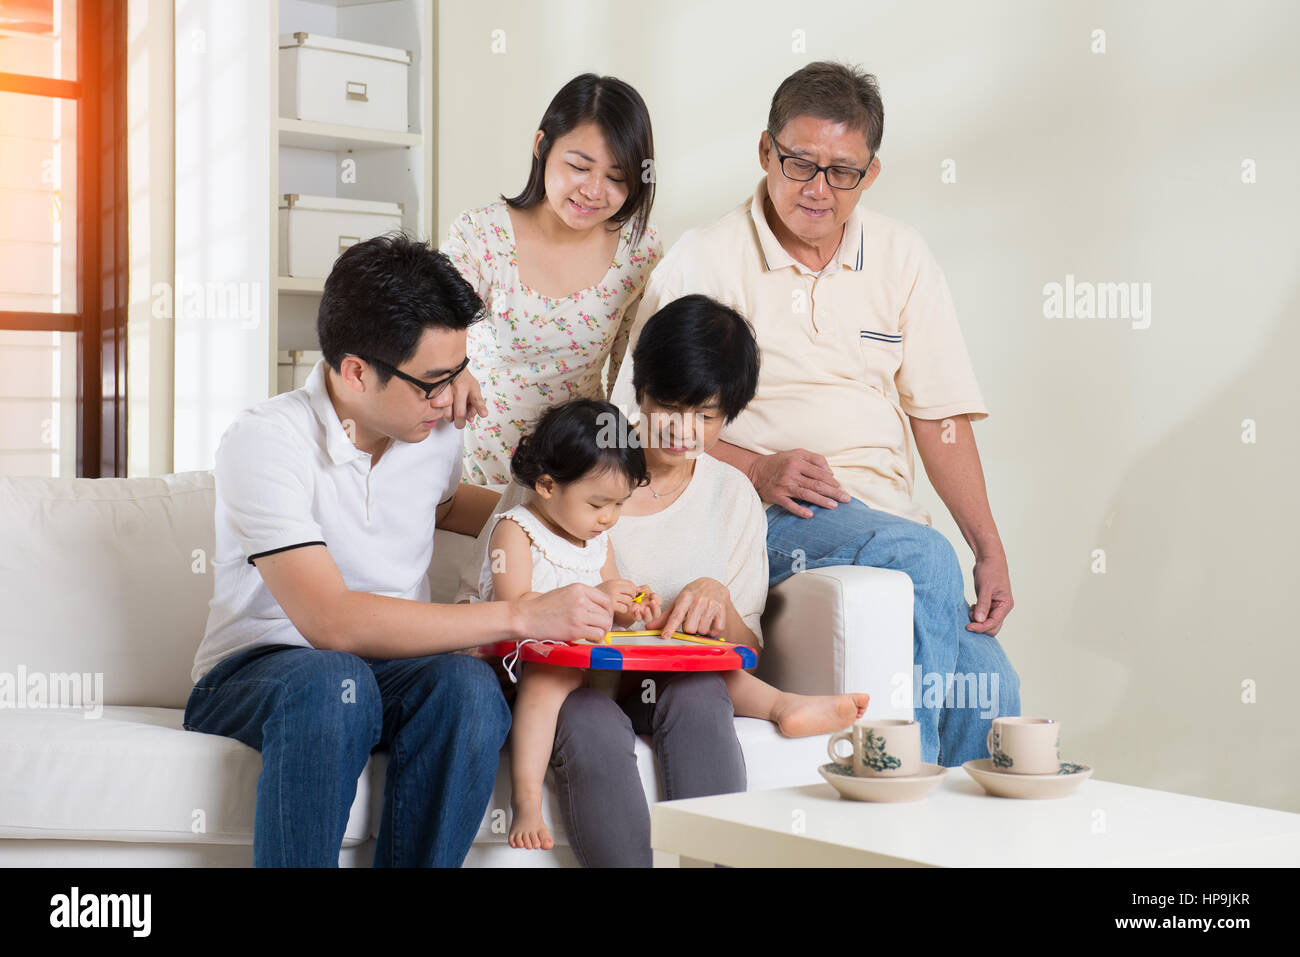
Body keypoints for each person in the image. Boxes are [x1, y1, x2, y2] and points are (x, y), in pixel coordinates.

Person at [610, 61, 1021, 767]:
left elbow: (940, 417)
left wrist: (987, 545)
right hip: (763, 514)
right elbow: (634, 420)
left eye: (843, 172)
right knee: (923, 556)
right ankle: (897, 787)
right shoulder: (704, 258)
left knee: (993, 687)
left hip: (886, 521)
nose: (819, 190)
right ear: (766, 151)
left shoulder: (902, 256)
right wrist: (756, 467)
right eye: (800, 164)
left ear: (871, 172)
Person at [184, 234, 617, 867]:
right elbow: (331, 623)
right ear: (356, 370)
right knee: (333, 679)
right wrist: (524, 614)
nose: (449, 399)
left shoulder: (431, 436)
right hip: (262, 672)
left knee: (470, 687)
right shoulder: (266, 440)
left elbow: (440, 509)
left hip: (389, 672)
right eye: (433, 382)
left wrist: (571, 513)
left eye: (456, 374)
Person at [459, 295, 868, 866]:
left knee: (701, 692)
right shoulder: (574, 457)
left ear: (729, 415)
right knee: (587, 715)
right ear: (640, 391)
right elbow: (497, 598)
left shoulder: (731, 495)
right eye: (668, 406)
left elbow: (743, 652)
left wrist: (718, 600)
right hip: (564, 681)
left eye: (705, 416)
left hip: (665, 681)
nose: (682, 430)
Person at [443, 72, 663, 486]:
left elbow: (629, 380)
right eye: (579, 166)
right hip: (476, 472)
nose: (594, 191)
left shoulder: (639, 252)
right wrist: (454, 372)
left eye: (617, 178)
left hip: (577, 477)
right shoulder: (480, 235)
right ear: (542, 146)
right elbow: (432, 332)